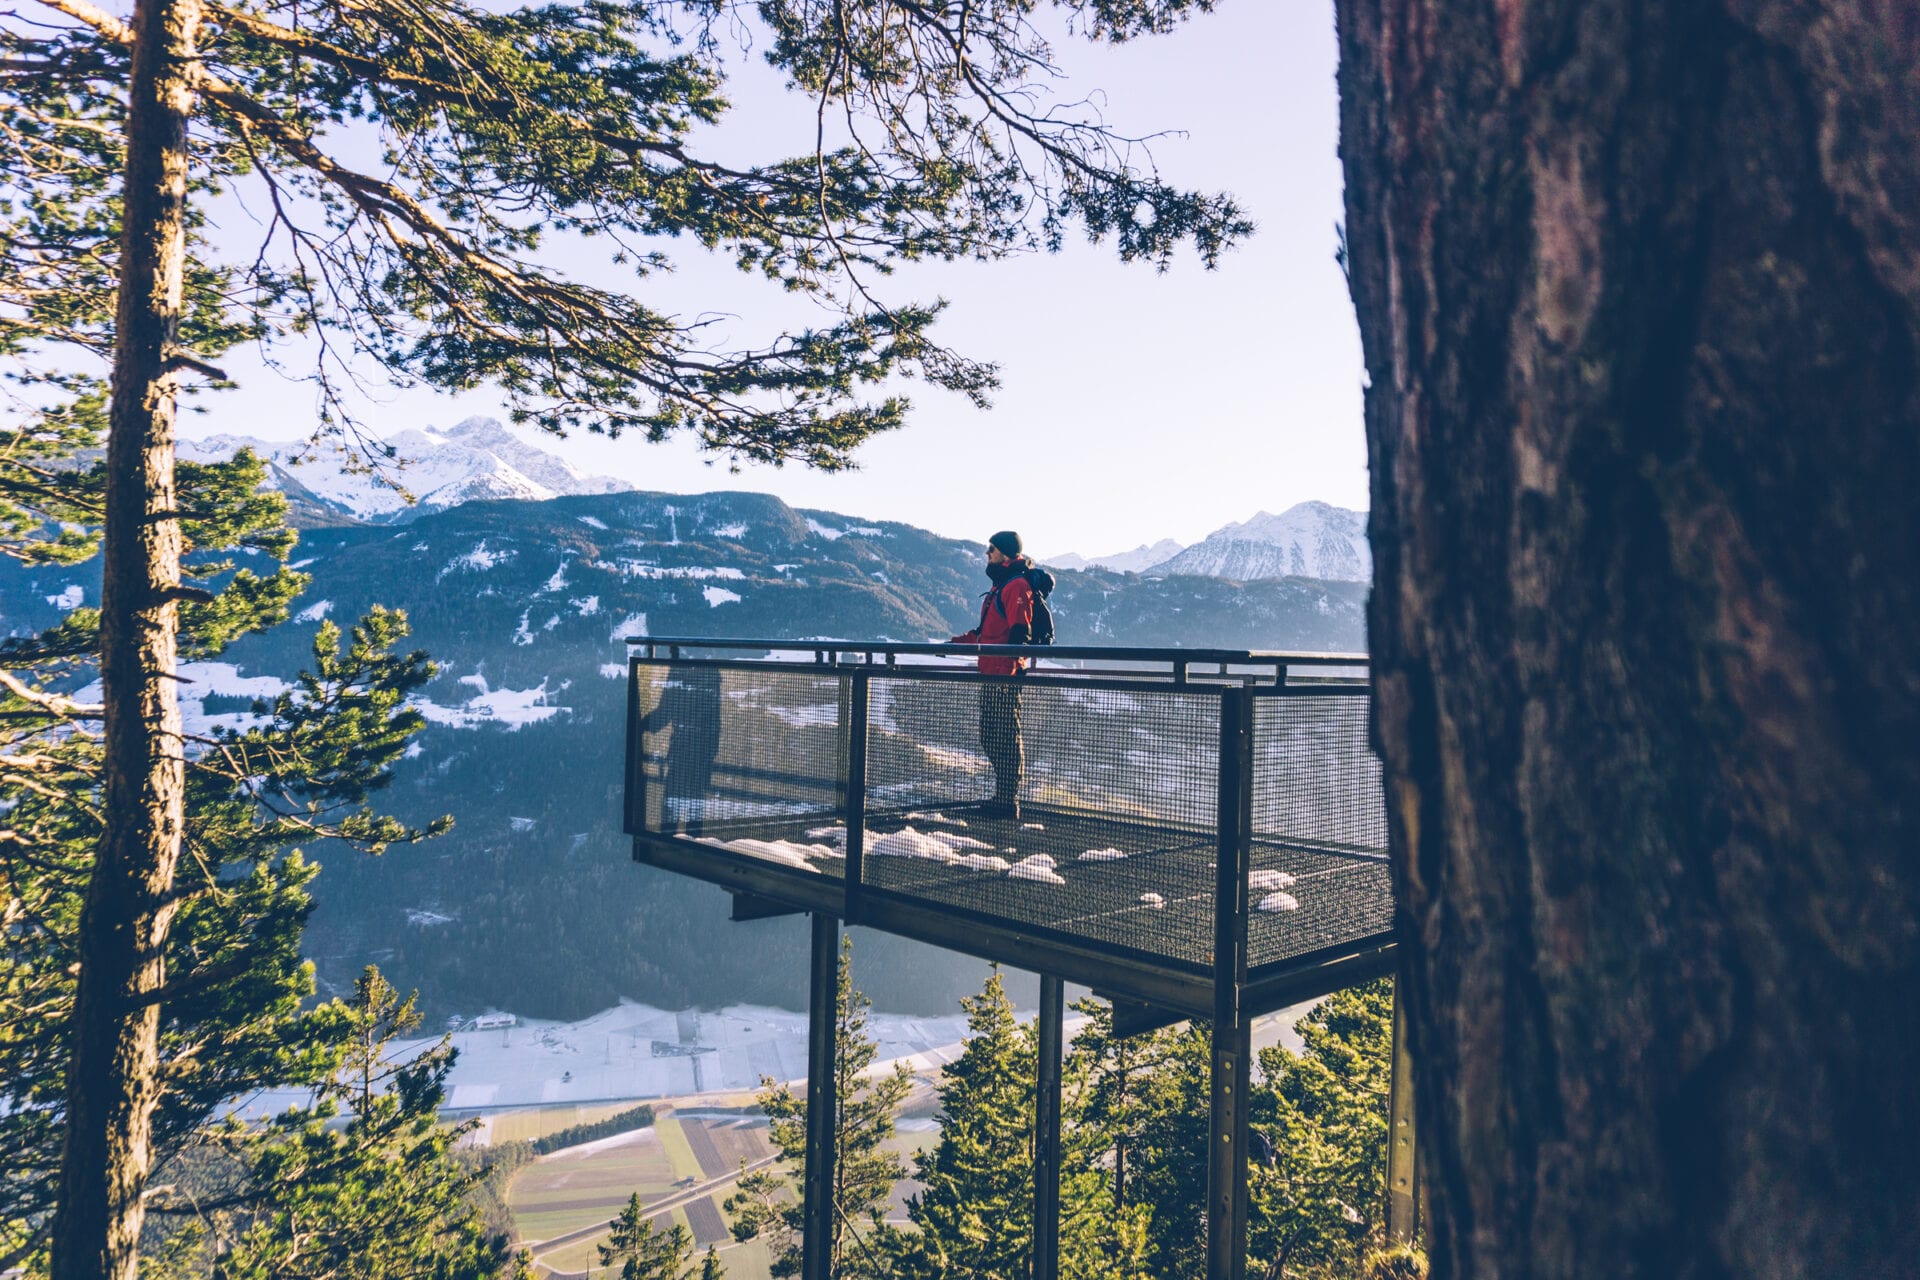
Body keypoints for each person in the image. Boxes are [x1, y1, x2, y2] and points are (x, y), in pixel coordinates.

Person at [950, 530, 1035, 820]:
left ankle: (1007, 800)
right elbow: (987, 632)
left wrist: (1008, 671)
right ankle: (1003, 796)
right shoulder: (1002, 586)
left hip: (1004, 675)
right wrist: (956, 643)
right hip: (993, 672)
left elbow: (1019, 632)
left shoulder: (1016, 585)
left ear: (1007, 554)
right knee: (991, 735)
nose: (987, 554)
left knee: (1005, 736)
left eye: (992, 549)